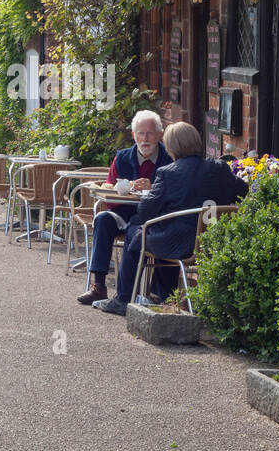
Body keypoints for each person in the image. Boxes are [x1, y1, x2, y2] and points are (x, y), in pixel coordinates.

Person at [93, 121, 248, 316]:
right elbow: (243, 191)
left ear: (172, 147)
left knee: (134, 230)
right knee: (150, 231)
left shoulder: (168, 173)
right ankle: (164, 296)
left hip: (177, 243)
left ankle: (124, 298)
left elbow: (145, 212)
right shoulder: (221, 169)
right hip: (211, 241)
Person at [76, 110, 172, 305]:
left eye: (150, 133)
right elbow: (109, 197)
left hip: (152, 218)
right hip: (123, 212)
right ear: (133, 135)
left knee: (137, 227)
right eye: (140, 133)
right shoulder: (122, 157)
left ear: (159, 135)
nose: (145, 139)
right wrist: (128, 188)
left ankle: (144, 292)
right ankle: (99, 286)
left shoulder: (168, 159)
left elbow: (173, 197)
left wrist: (153, 188)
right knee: (102, 219)